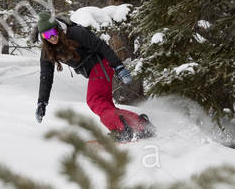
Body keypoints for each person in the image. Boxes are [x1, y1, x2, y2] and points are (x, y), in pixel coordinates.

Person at [33, 11, 154, 141]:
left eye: (53, 32)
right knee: (105, 105)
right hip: (93, 71)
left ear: (58, 28)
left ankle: (121, 130)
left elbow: (102, 47)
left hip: (101, 64)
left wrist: (118, 67)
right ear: (42, 37)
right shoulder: (47, 51)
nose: (52, 37)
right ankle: (140, 125)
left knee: (94, 100)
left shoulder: (76, 33)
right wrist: (42, 102)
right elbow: (46, 76)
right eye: (47, 35)